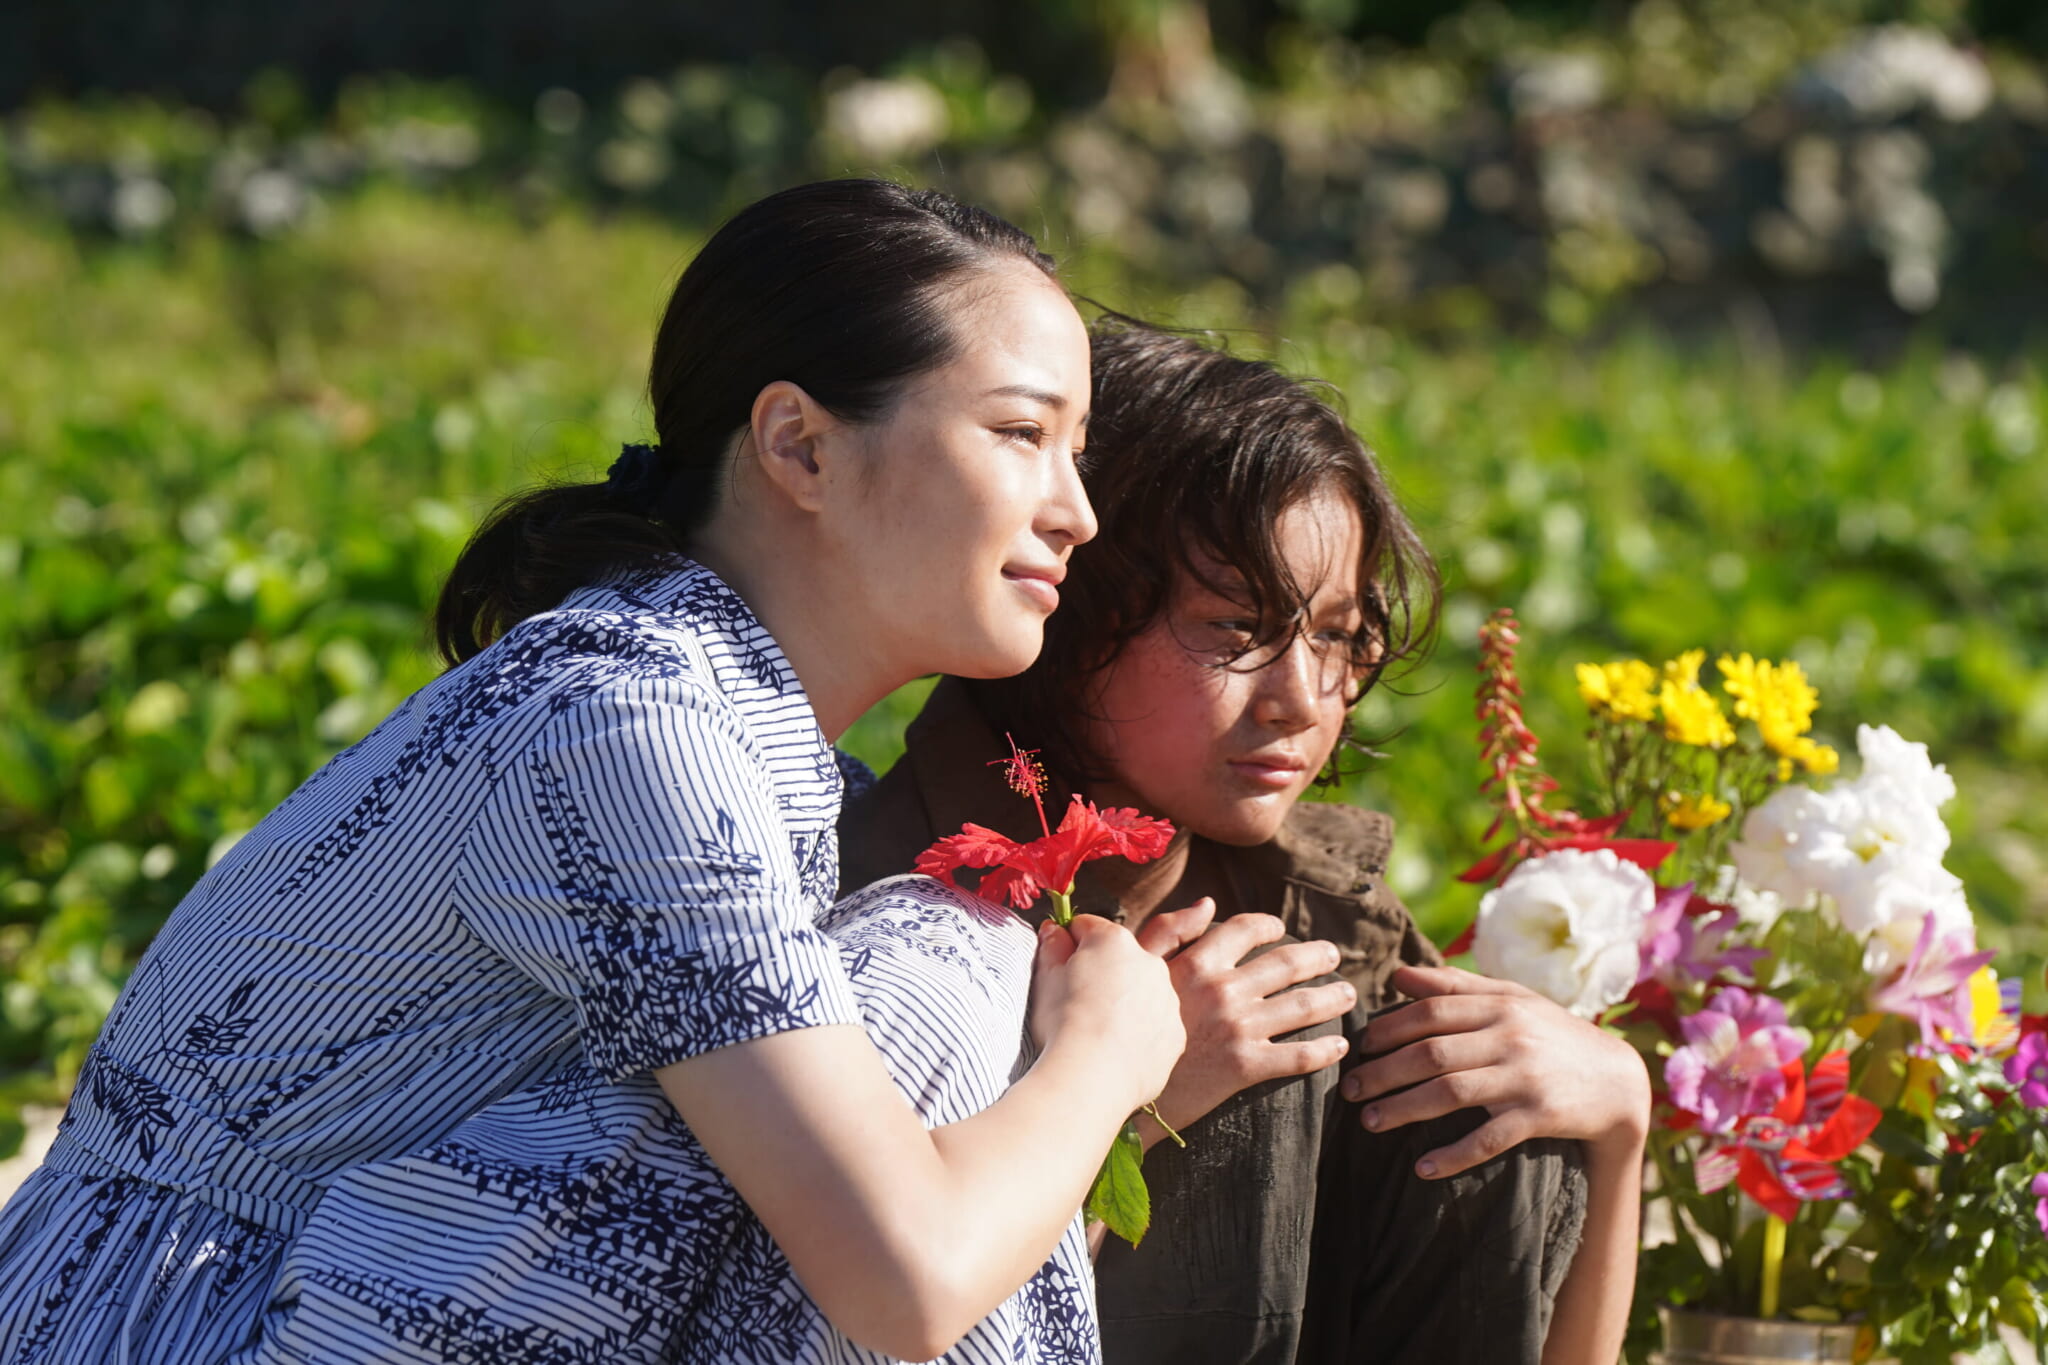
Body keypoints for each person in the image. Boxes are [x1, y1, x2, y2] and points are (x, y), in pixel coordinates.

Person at [0, 181, 1185, 1365]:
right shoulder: (622, 722)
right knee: (940, 963)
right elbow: (903, 1275)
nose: (1076, 511)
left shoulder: (718, 722)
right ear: (799, 447)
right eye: (1022, 435)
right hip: (177, 1324)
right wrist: (1106, 1054)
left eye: (1073, 454)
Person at [839, 317, 1652, 1364]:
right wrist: (1128, 1103)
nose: (1300, 701)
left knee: (1489, 1111)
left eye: (1330, 635)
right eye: (1235, 631)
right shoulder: (888, 909)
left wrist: (1619, 1122)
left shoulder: (1315, 918)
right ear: (1074, 602)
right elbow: (846, 1322)